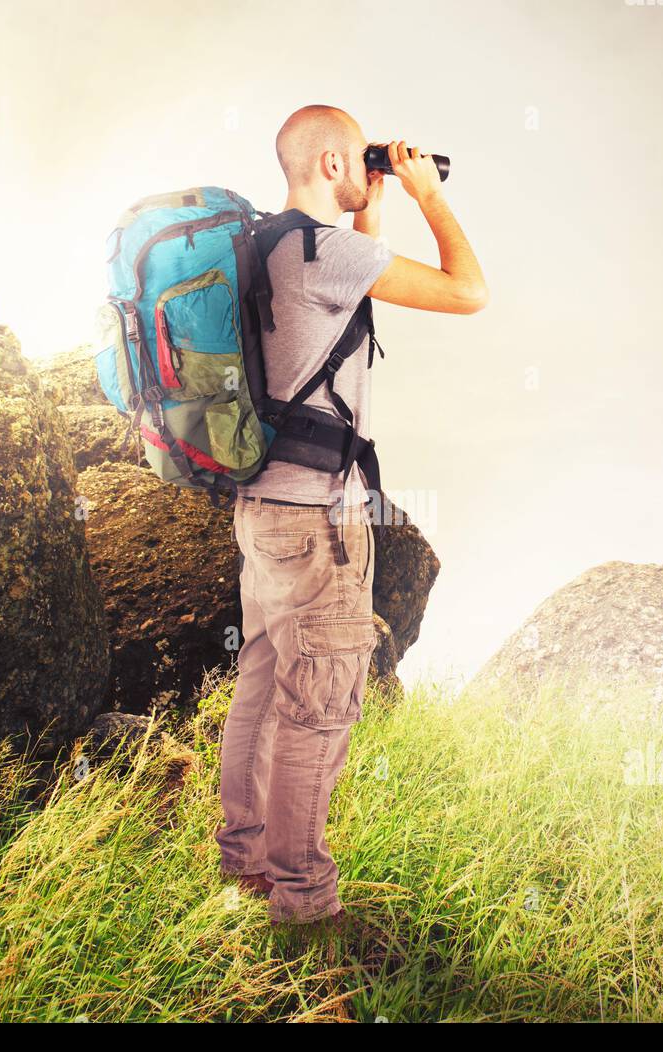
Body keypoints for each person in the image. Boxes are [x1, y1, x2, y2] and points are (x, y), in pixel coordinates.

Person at [215, 104, 488, 926]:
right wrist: (428, 195)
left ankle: (245, 865)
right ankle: (305, 909)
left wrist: (376, 196)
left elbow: (348, 289)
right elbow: (468, 291)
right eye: (357, 161)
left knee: (261, 688)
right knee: (319, 706)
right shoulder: (329, 251)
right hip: (319, 526)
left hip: (262, 510)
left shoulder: (265, 245)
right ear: (334, 161)